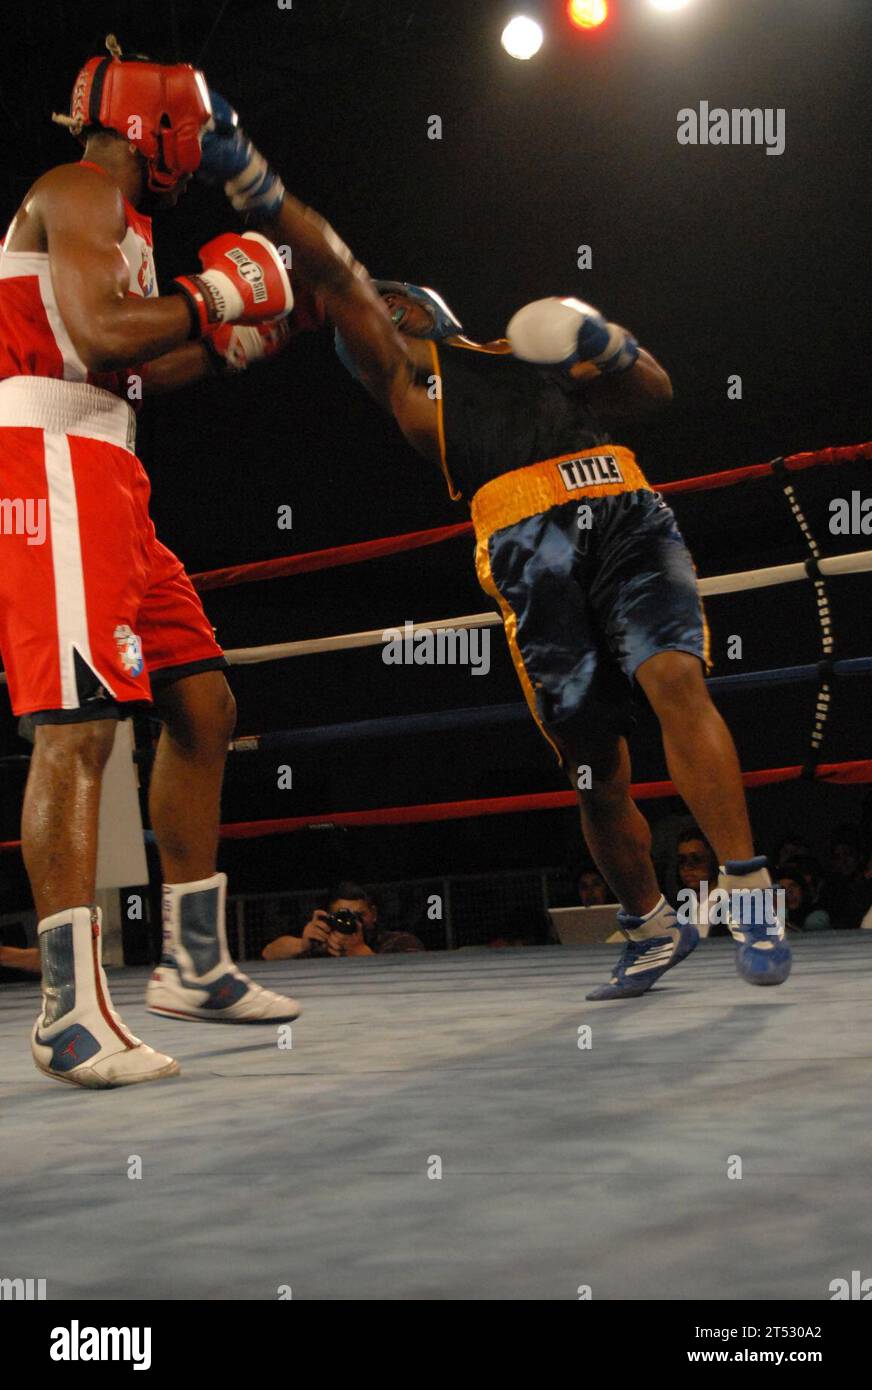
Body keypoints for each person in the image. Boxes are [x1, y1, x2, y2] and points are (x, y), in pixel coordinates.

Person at [198, 95, 791, 1001]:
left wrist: (611, 346)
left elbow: (656, 396)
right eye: (363, 315)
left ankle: (748, 894)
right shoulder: (407, 385)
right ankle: (649, 925)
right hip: (527, 545)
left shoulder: (525, 347)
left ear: (425, 308)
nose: (372, 317)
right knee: (596, 769)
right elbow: (337, 275)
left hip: (626, 509)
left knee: (676, 678)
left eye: (385, 305)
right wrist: (256, 185)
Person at [0, 39, 305, 1088]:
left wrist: (230, 340)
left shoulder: (118, 224)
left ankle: (190, 961)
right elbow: (95, 325)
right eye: (194, 130)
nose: (200, 153)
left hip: (109, 466)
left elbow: (129, 359)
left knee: (203, 702)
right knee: (79, 726)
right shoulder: (77, 187)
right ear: (156, 125)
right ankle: (68, 1015)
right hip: (46, 460)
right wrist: (215, 297)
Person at [263, 882, 424, 959]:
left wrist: (359, 951)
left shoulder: (397, 942)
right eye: (343, 917)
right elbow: (268, 953)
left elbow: (415, 972)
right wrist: (302, 945)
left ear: (373, 913)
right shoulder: (323, 944)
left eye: (359, 915)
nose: (352, 923)